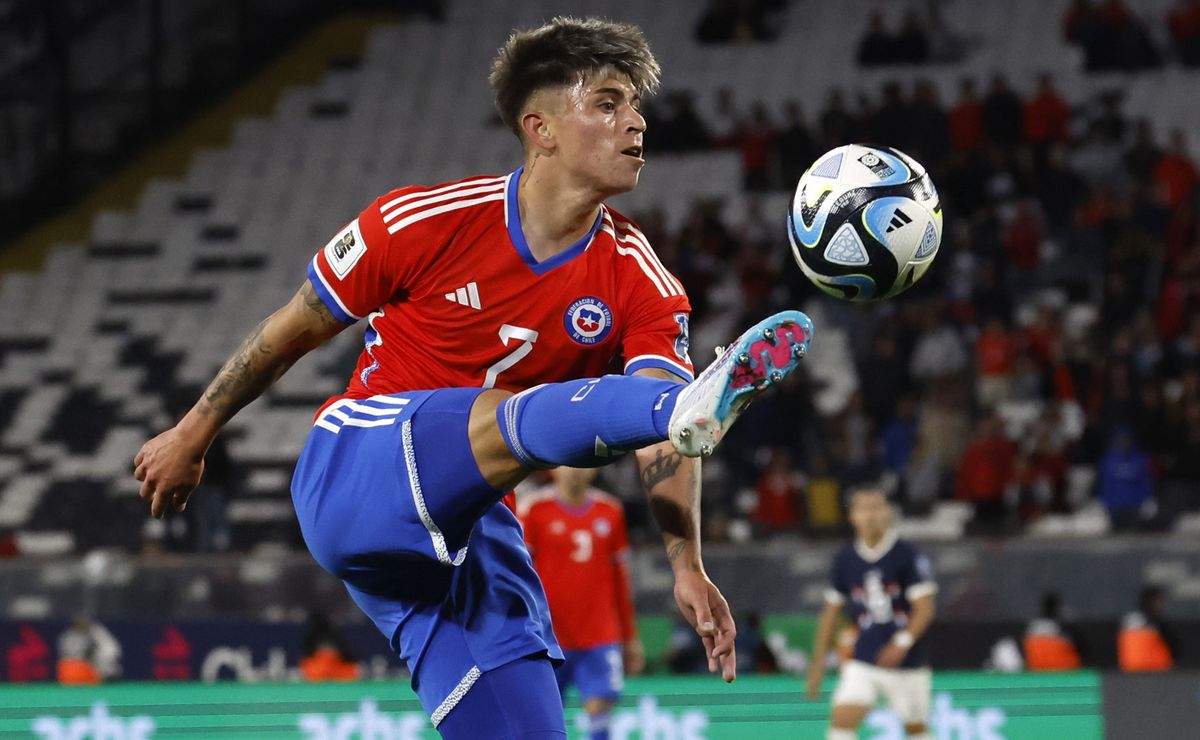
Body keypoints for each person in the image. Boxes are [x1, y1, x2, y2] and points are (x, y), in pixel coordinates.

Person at [131, 15, 814, 739]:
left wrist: (686, 564)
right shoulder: (420, 222)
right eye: (609, 103)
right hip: (357, 470)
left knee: (526, 726)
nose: (636, 123)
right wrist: (192, 431)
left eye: (637, 106)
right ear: (540, 128)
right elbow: (290, 329)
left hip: (469, 528)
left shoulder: (642, 282)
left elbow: (663, 439)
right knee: (527, 416)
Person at [521, 467, 644, 740]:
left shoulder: (610, 511)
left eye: (582, 464)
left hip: (599, 632)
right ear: (554, 468)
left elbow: (619, 580)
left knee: (600, 707)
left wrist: (630, 636)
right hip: (549, 635)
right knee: (546, 716)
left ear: (595, 470)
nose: (575, 471)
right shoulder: (533, 510)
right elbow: (519, 577)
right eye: (568, 463)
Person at [806, 485, 937, 740]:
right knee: (842, 722)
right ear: (852, 516)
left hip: (907, 662)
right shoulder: (845, 558)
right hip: (864, 658)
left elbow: (925, 608)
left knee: (916, 730)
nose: (870, 515)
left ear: (888, 512)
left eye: (876, 507)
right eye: (863, 509)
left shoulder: (906, 554)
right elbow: (830, 614)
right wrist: (818, 664)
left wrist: (901, 643)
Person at [1118, 585, 1176, 672]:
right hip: (1156, 670)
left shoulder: (1128, 620)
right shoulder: (1156, 622)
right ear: (1151, 601)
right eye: (1158, 600)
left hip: (1131, 670)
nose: (1161, 604)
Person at [1023, 592, 1083, 671]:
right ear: (1058, 608)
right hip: (1062, 667)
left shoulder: (1033, 626)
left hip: (1039, 668)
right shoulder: (1064, 626)